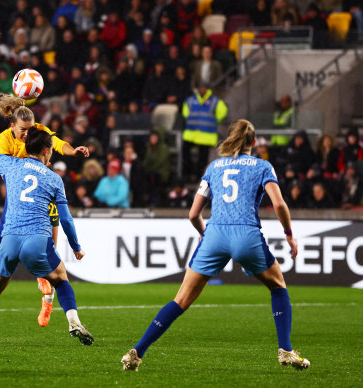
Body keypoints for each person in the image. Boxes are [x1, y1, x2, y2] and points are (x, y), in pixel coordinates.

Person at [121, 119, 310, 371]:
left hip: (215, 235)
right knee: (277, 285)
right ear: (253, 142)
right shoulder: (263, 166)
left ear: (230, 139)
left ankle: (137, 352)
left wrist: (204, 235)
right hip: (246, 234)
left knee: (180, 300)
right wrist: (288, 234)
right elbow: (279, 204)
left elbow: (192, 214)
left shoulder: (214, 166)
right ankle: (286, 350)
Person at [0, 128, 93, 346]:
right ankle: (74, 322)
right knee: (61, 279)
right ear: (47, 151)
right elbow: (65, 220)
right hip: (36, 239)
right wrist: (76, 247)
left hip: (9, 238)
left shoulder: (10, 164)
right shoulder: (54, 179)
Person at [0, 94, 89, 327]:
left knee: (49, 245)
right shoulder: (4, 140)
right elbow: (4, 168)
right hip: (18, 201)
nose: (28, 134)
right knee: (4, 260)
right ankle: (41, 285)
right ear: (12, 126)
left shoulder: (38, 130)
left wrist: (72, 151)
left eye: (30, 130)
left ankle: (47, 295)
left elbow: (56, 143)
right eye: (23, 130)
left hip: (41, 195)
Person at [181, 81, 228, 181]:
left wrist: (215, 120)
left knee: (203, 159)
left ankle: (198, 176)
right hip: (191, 134)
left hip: (207, 136)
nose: (202, 90)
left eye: (204, 88)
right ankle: (188, 173)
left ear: (207, 89)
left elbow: (223, 112)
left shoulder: (215, 101)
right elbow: (185, 113)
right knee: (185, 153)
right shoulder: (190, 100)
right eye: (200, 88)